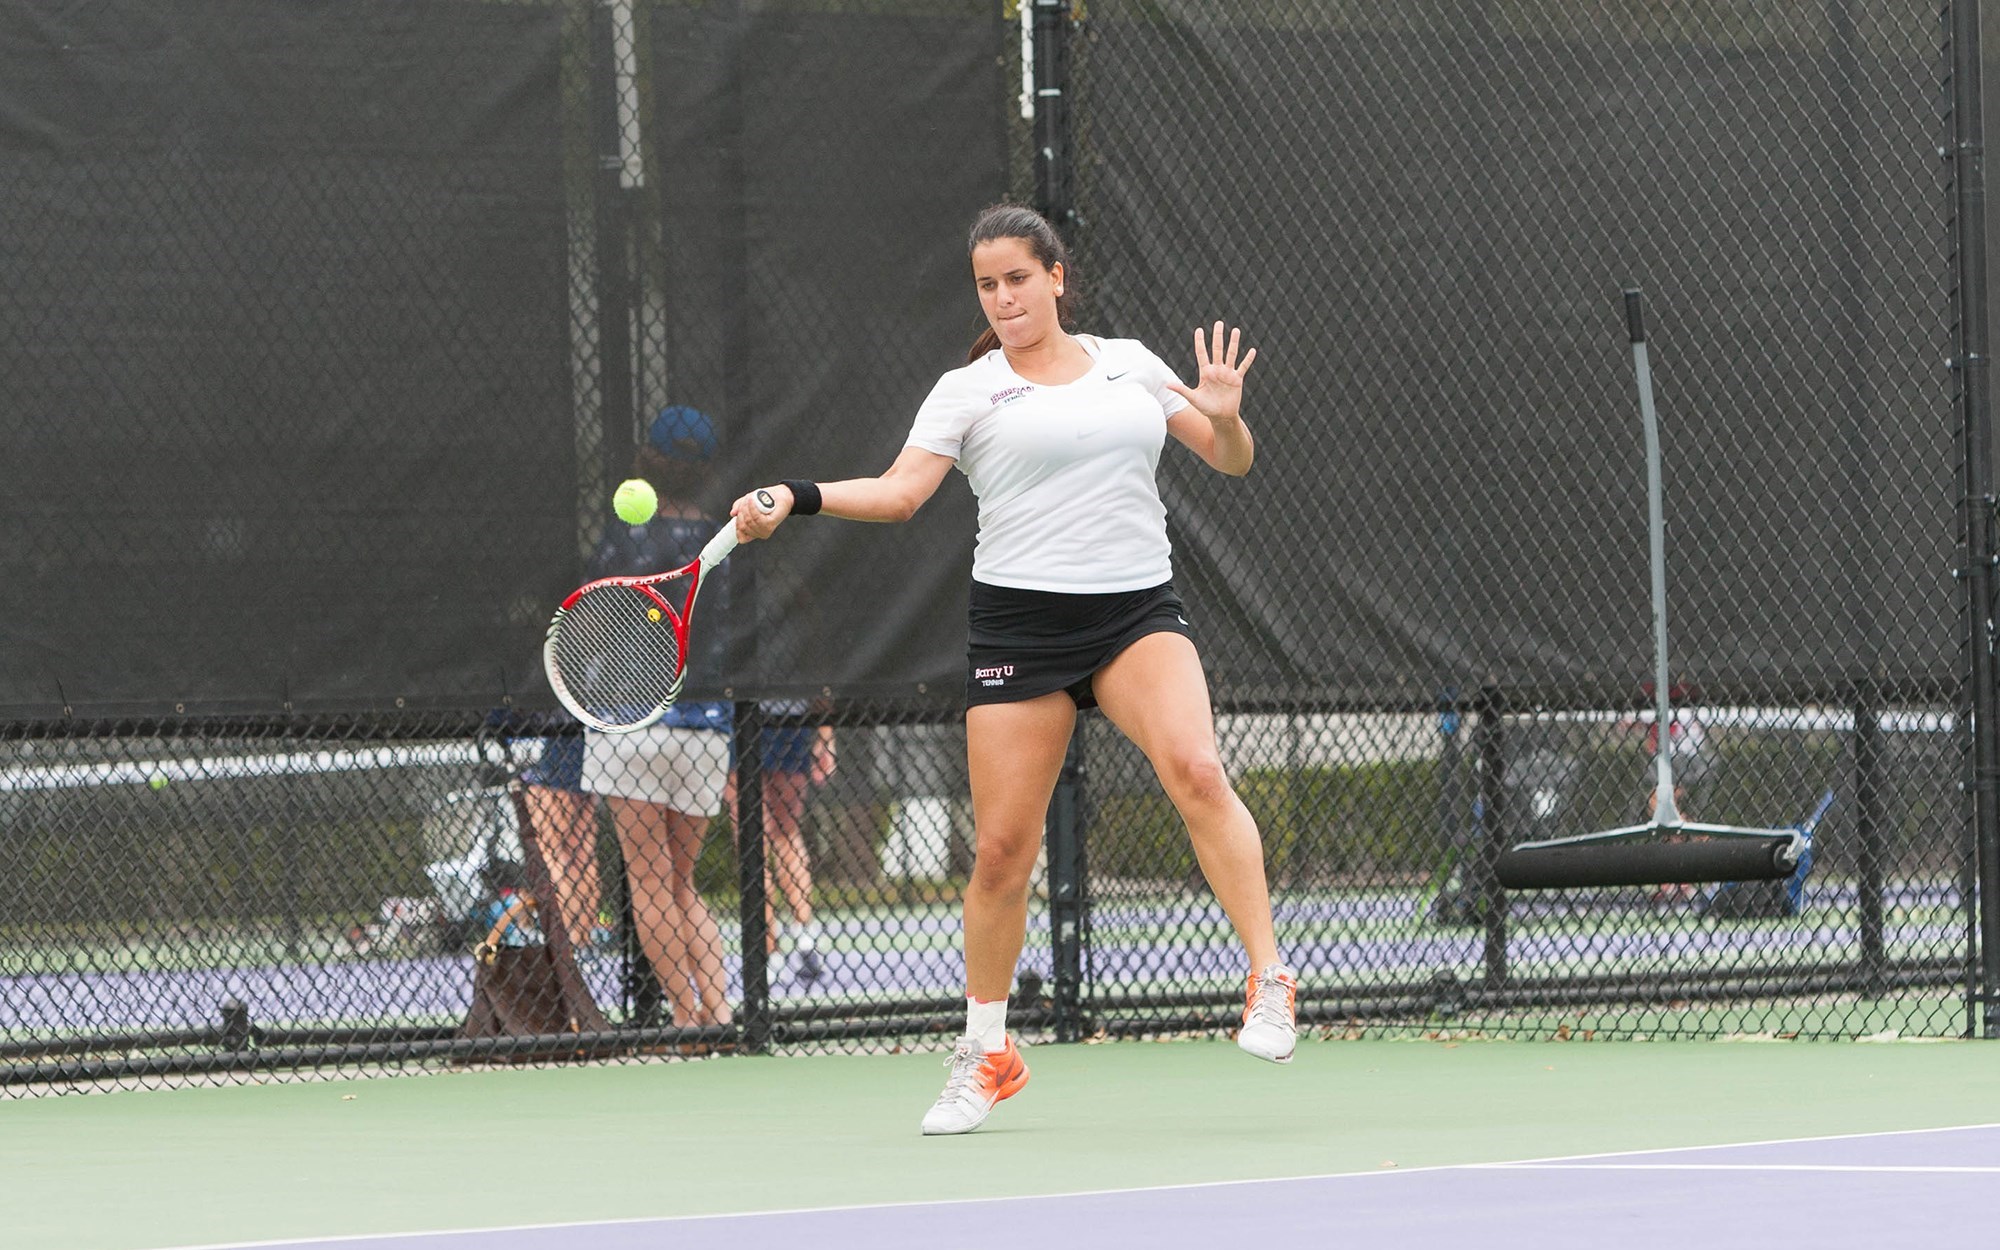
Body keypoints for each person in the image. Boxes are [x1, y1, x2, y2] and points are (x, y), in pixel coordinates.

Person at [727, 203, 1296, 1136]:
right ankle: (987, 1049)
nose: (1003, 298)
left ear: (1057, 277)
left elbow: (1229, 462)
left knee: (1197, 772)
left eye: (1018, 279)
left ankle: (1269, 978)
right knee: (1000, 854)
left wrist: (1226, 419)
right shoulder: (967, 391)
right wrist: (799, 496)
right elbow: (903, 493)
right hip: (1020, 631)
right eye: (987, 285)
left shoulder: (1131, 365)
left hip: (1135, 614)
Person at [581, 405, 735, 1030]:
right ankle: (722, 1014)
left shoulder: (621, 538)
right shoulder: (724, 539)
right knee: (683, 880)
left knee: (648, 881)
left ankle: (683, 1016)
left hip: (629, 723)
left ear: (649, 462)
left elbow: (595, 609)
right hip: (705, 728)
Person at [728, 700, 836, 985]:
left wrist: (825, 737)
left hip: (786, 716)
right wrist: (825, 737)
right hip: (742, 713)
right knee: (756, 839)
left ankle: (800, 941)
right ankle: (772, 948)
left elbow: (818, 670)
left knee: (779, 834)